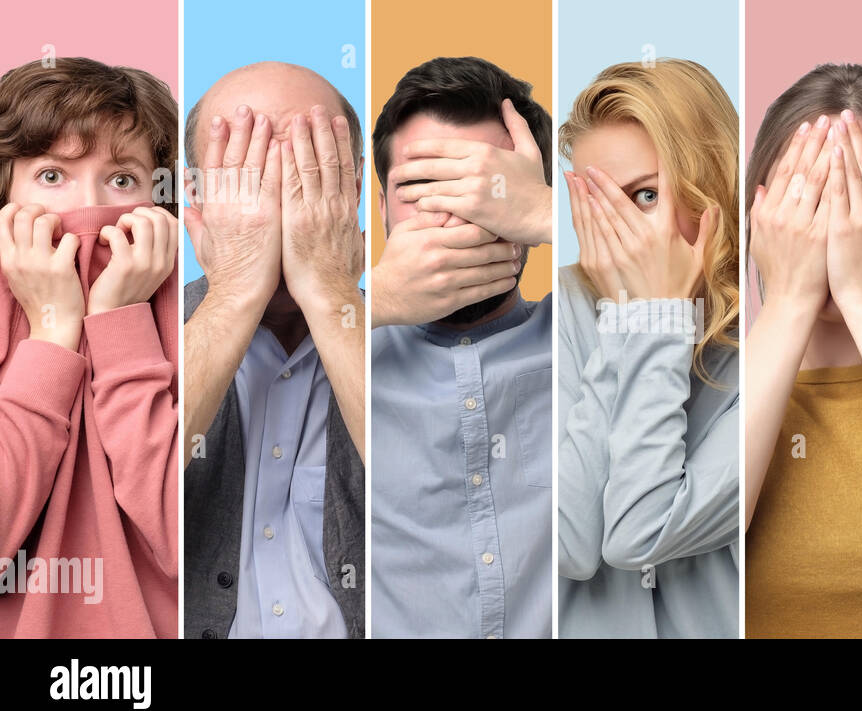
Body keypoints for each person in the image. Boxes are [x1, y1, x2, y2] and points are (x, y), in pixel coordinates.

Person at [557, 58, 740, 638]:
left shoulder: (776, 331)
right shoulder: (562, 305)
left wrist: (657, 318)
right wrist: (626, 319)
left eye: (642, 196)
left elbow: (638, 534)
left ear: (712, 186)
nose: (620, 233)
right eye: (598, 204)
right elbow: (572, 545)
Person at [183, 61, 366, 639]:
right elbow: (112, 510)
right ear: (193, 196)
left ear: (353, 187)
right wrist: (235, 287)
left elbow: (444, 519)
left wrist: (332, 293)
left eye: (310, 168)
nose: (278, 198)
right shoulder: (132, 323)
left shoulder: (415, 331)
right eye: (247, 170)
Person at [370, 56, 551, 639]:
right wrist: (375, 305)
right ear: (381, 212)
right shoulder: (328, 349)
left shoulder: (595, 332)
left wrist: (553, 211)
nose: (450, 218)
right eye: (419, 188)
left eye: (486, 191)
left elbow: (684, 276)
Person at [744, 64, 862, 639]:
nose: (831, 232)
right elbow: (691, 552)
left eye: (858, 203)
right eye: (808, 200)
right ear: (761, 213)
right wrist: (791, 299)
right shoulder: (695, 380)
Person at [0, 57, 178, 638]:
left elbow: (194, 541)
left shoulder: (199, 310)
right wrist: (52, 333)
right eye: (52, 176)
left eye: (122, 179)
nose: (89, 206)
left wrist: (121, 324)